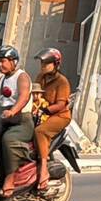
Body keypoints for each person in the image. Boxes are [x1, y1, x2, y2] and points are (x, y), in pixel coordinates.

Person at [0, 44, 34, 199]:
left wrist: (13, 111)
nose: (0, 64)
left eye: (3, 61)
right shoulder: (2, 79)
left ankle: (11, 178)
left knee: (8, 139)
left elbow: (24, 96)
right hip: (5, 120)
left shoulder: (21, 76)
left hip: (21, 121)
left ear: (13, 61)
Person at [31, 47, 71, 193]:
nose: (43, 66)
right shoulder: (40, 77)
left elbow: (61, 104)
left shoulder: (62, 82)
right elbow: (34, 94)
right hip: (42, 113)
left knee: (40, 131)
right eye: (42, 63)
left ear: (56, 64)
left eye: (47, 63)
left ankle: (43, 168)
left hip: (59, 116)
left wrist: (45, 110)